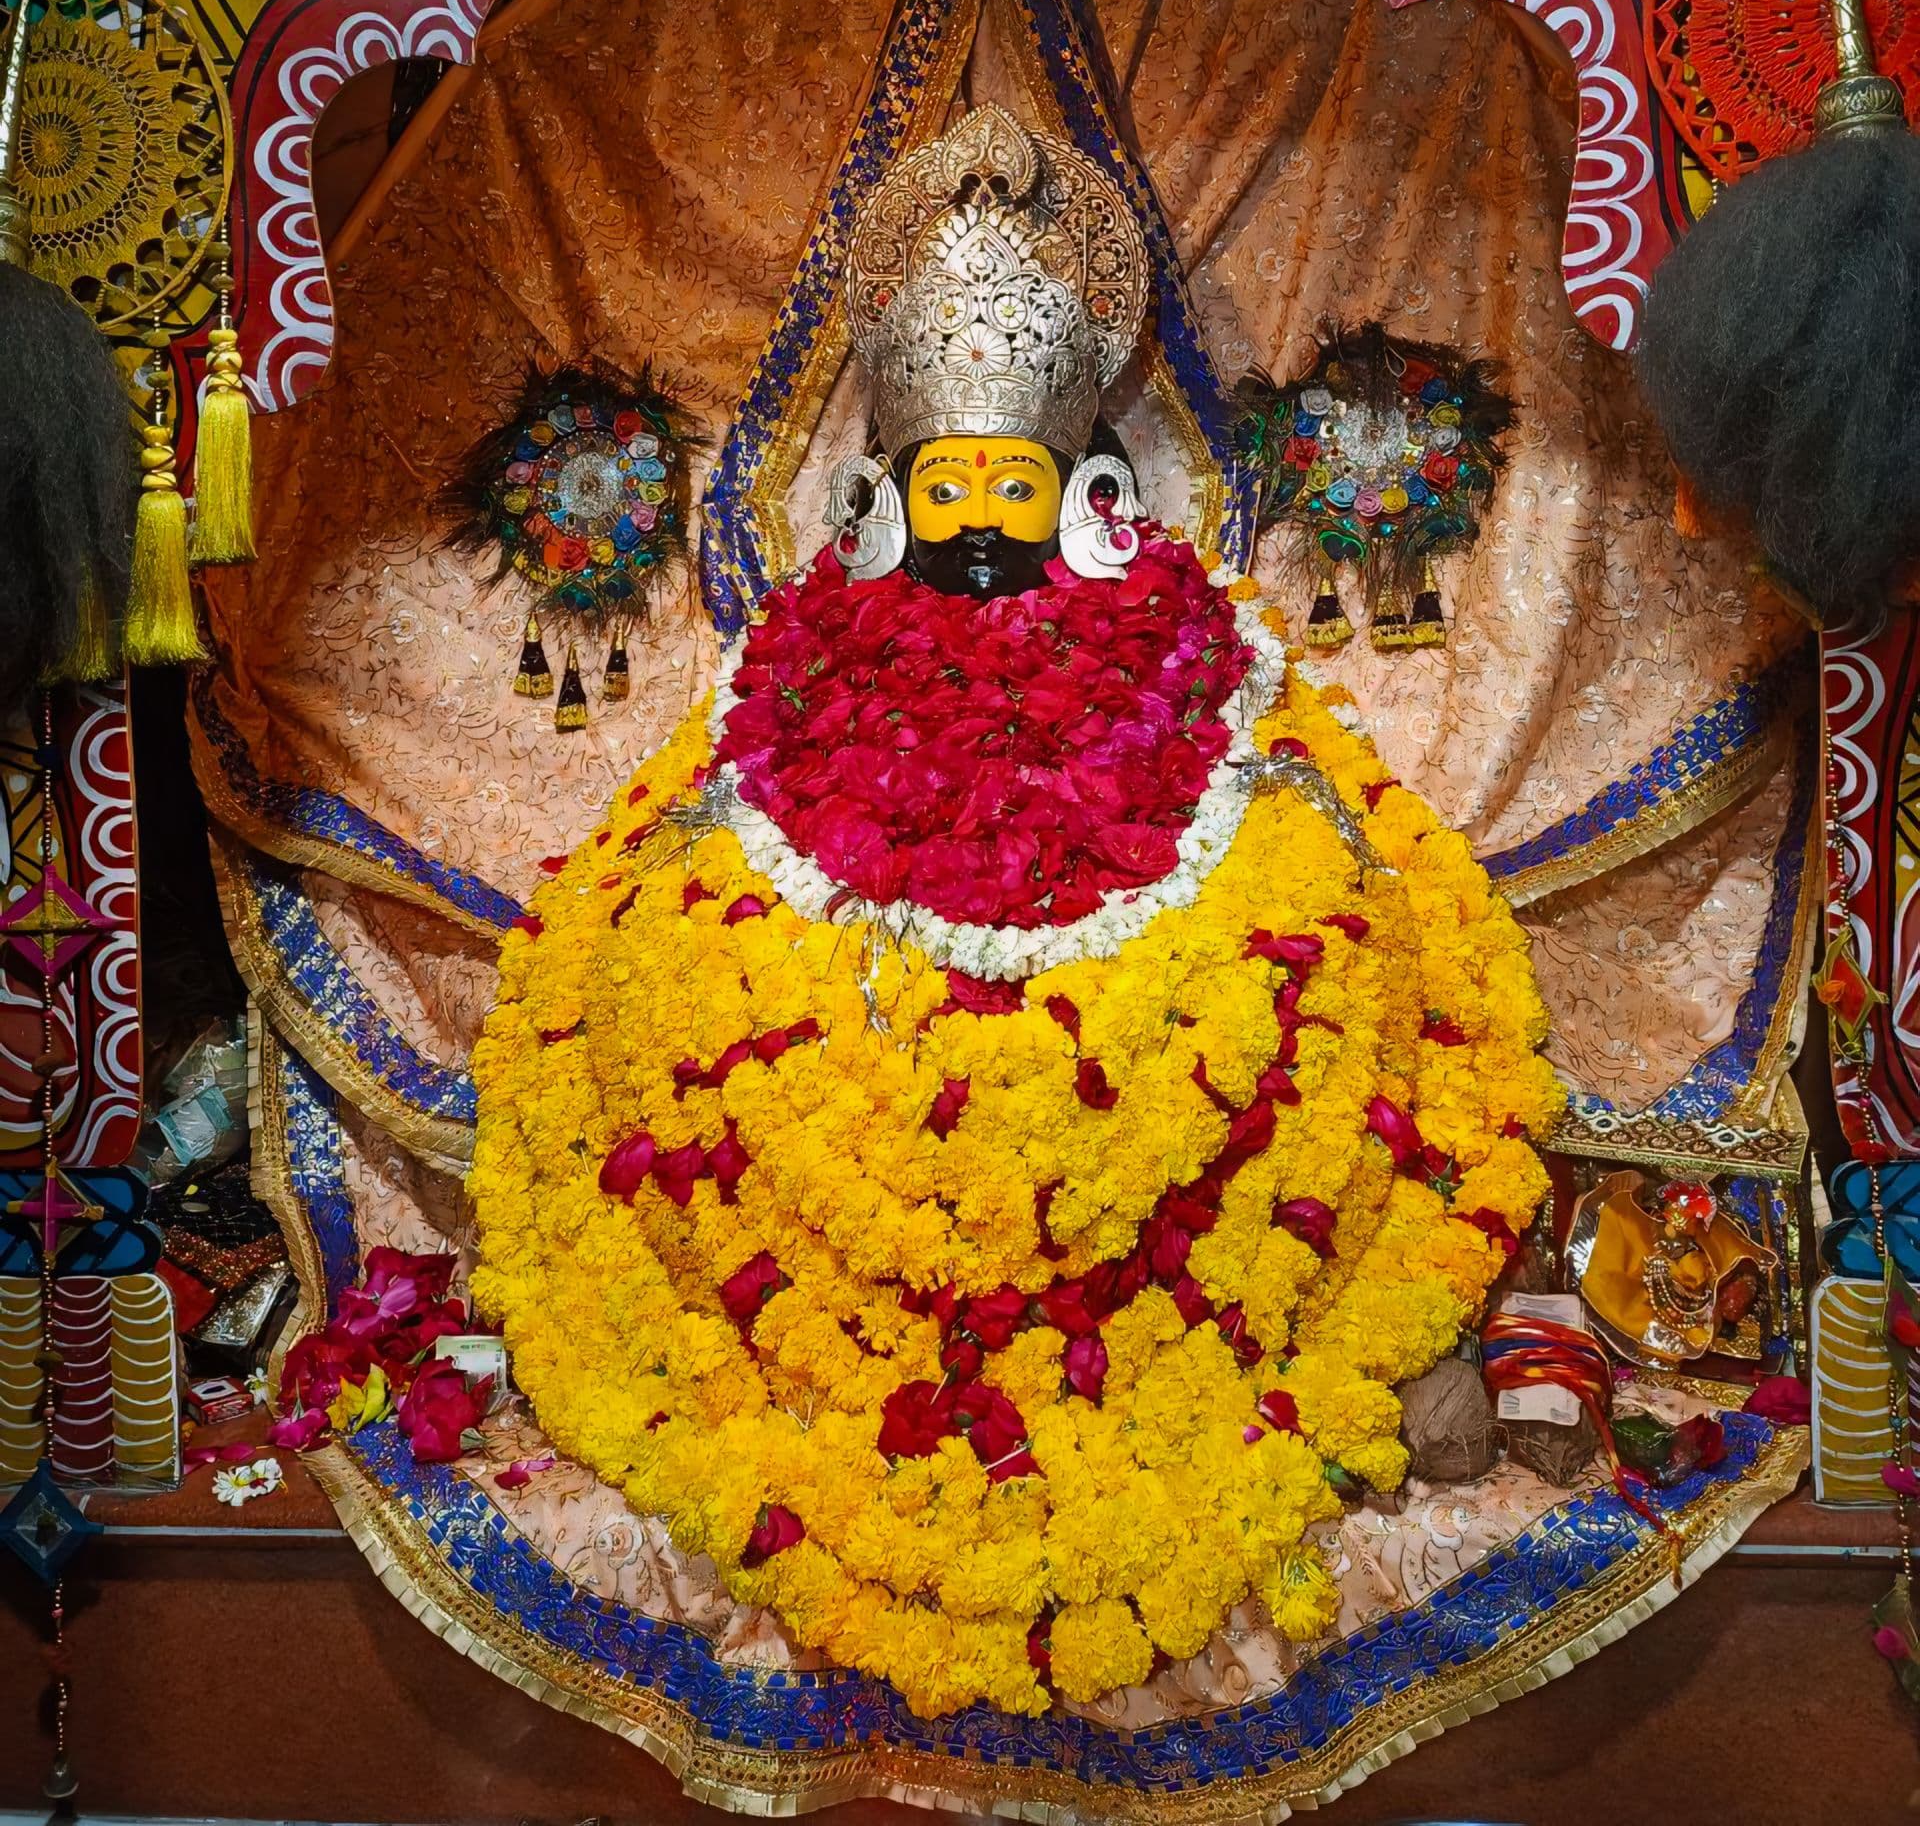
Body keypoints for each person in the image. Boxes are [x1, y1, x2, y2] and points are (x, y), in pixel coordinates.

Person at [470, 104, 1562, 1719]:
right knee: (690, 950)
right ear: (891, 494)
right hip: (848, 1008)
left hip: (1140, 958)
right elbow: (712, 801)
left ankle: (1299, 1358)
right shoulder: (807, 646)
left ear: (1081, 489)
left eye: (1014, 479)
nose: (981, 514)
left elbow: (1296, 801)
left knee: (1314, 923)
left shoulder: (1182, 636)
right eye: (952, 479)